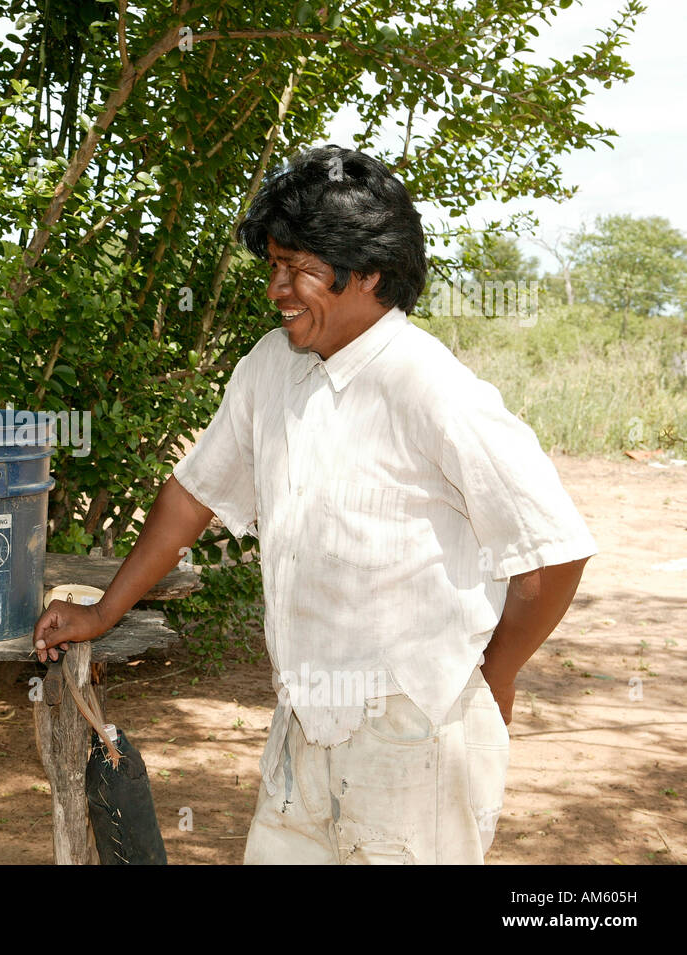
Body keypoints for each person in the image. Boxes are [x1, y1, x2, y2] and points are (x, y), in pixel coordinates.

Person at [32, 145, 596, 864]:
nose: (278, 288)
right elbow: (192, 492)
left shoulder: (430, 388)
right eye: (274, 265)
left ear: (368, 273)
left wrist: (494, 675)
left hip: (413, 734)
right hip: (304, 720)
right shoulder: (272, 366)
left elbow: (556, 546)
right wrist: (105, 611)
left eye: (300, 268)